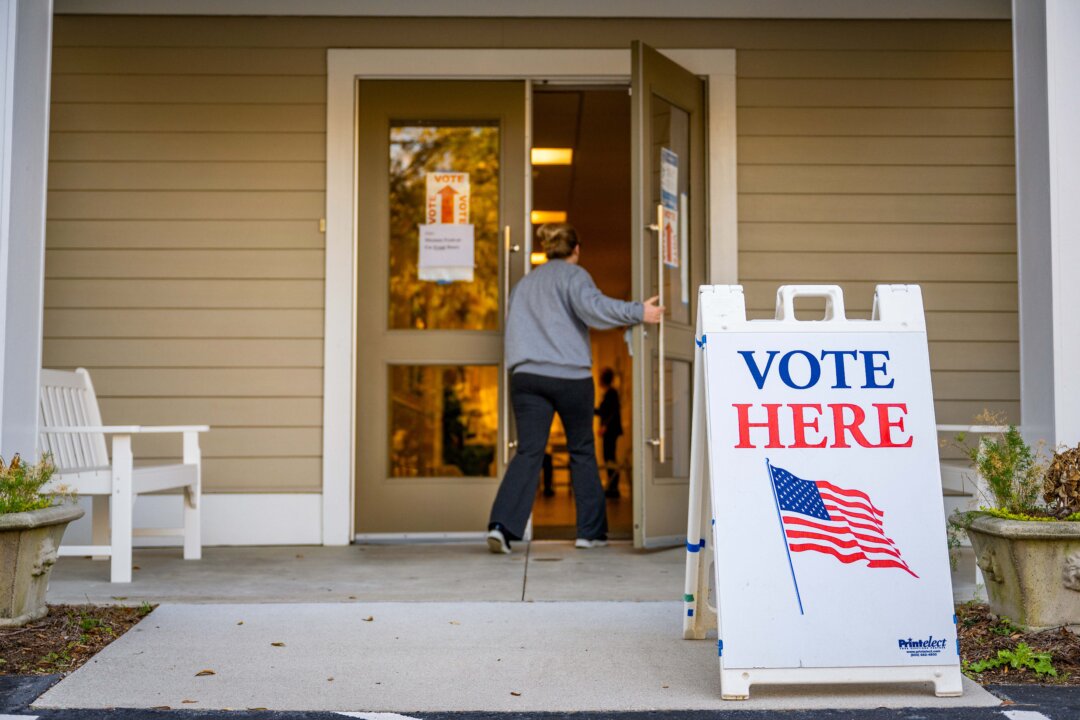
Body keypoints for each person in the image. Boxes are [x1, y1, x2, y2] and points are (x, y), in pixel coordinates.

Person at [486, 223, 663, 554]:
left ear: (548, 249)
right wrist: (639, 311)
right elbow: (594, 309)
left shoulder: (524, 284)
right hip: (570, 378)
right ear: (576, 250)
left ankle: (501, 527)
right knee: (581, 450)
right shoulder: (575, 276)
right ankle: (589, 534)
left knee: (528, 451)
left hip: (527, 377)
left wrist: (519, 368)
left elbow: (514, 331)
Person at [595, 367, 623, 498]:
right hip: (610, 430)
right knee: (608, 457)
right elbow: (603, 411)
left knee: (610, 457)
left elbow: (612, 412)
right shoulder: (608, 393)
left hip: (611, 431)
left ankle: (613, 487)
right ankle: (612, 485)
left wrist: (605, 426)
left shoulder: (611, 393)